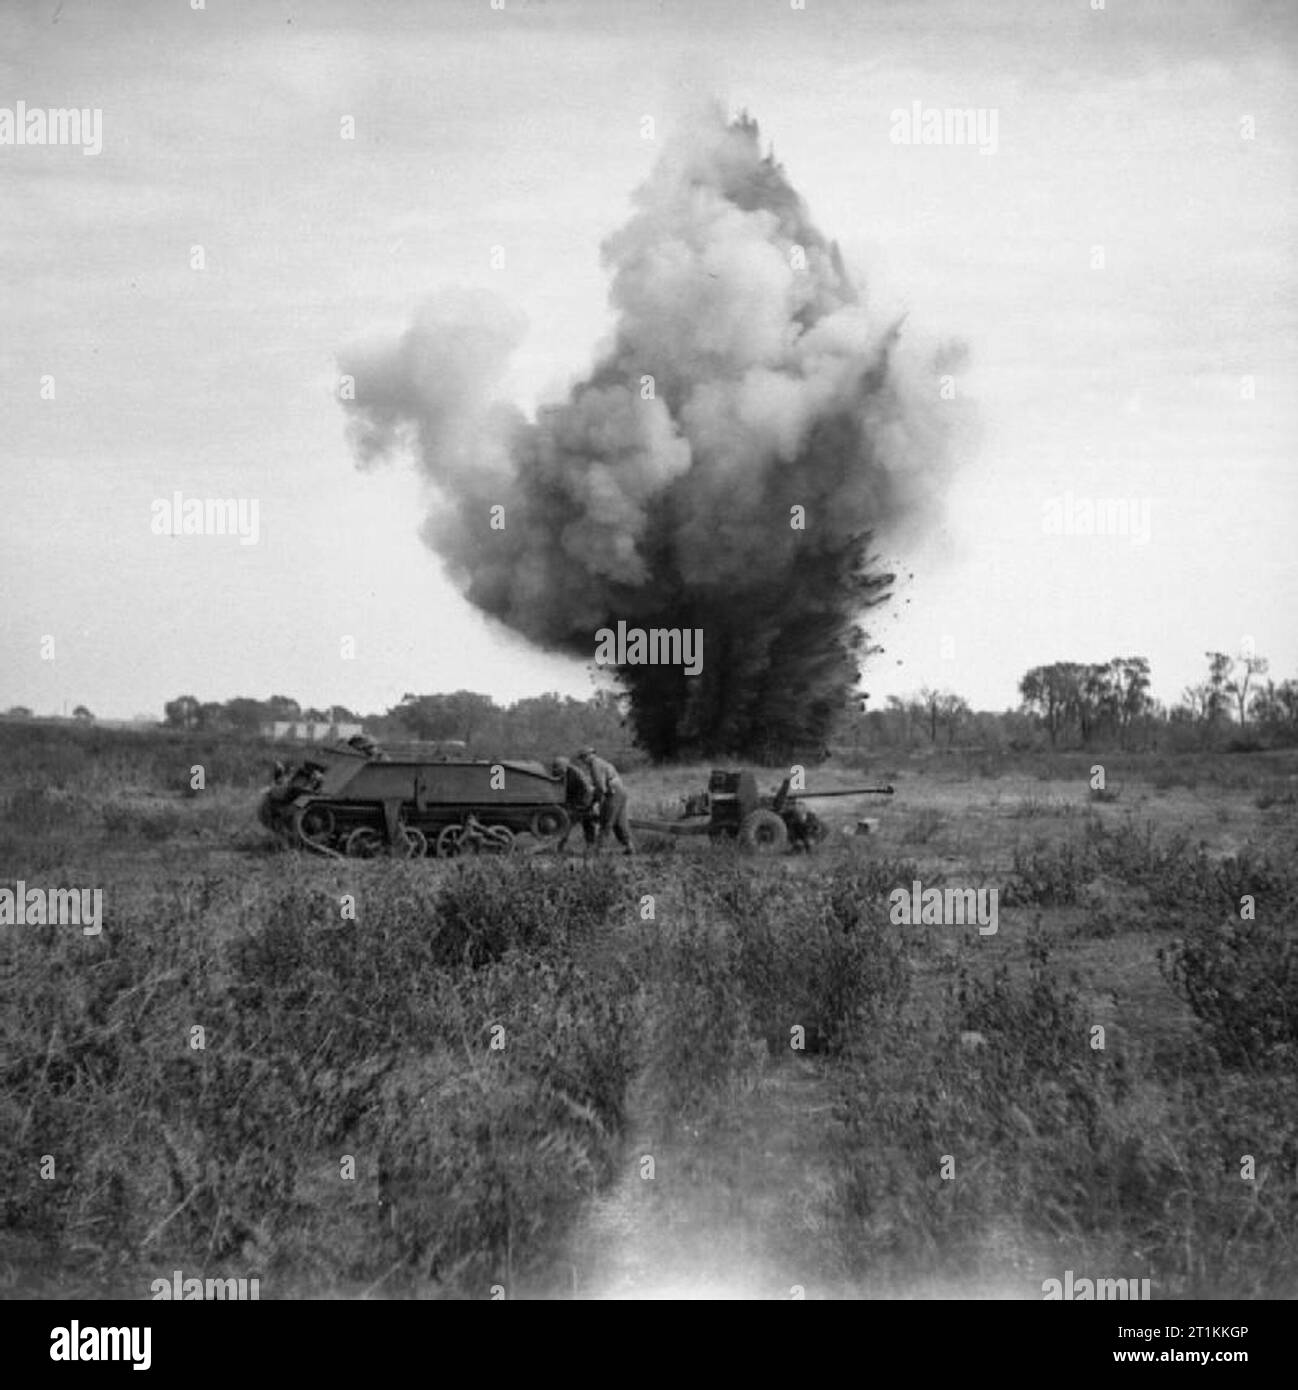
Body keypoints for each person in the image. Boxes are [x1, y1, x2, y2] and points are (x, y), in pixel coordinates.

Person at [576, 748, 634, 855]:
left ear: (588, 756)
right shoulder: (601, 762)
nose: (583, 761)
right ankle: (629, 846)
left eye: (583, 758)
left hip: (613, 793)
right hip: (620, 791)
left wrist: (593, 803)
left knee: (606, 821)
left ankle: (599, 849)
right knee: (619, 822)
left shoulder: (595, 765)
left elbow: (600, 788)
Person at [551, 756, 597, 853]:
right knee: (566, 822)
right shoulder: (558, 774)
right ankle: (560, 845)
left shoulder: (577, 774)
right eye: (555, 768)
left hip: (583, 801)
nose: (556, 771)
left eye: (558, 768)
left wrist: (584, 805)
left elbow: (587, 790)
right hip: (572, 801)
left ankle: (590, 846)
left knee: (587, 823)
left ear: (565, 767)